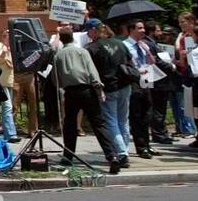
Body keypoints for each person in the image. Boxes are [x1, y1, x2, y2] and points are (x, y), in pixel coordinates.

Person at [51, 26, 121, 172]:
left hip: (70, 92)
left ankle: (68, 156)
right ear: (72, 38)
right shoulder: (82, 51)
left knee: (69, 125)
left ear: (62, 40)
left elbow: (55, 78)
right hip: (87, 90)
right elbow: (92, 71)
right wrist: (99, 89)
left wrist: (62, 87)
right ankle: (112, 156)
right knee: (98, 124)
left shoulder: (58, 55)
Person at [88, 19, 135, 168]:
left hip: (108, 88)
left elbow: (90, 71)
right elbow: (130, 62)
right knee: (123, 120)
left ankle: (121, 153)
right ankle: (124, 150)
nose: (88, 34)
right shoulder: (120, 44)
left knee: (111, 121)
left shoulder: (92, 48)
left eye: (89, 31)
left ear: (95, 31)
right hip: (125, 85)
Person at [123, 19, 158, 158]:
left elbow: (152, 62)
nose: (143, 30)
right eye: (140, 28)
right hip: (135, 79)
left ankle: (148, 145)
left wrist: (148, 52)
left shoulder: (143, 45)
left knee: (147, 113)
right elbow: (127, 64)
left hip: (147, 77)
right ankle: (141, 146)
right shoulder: (125, 45)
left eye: (143, 28)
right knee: (137, 114)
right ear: (132, 30)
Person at [143, 21, 179, 143]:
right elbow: (157, 61)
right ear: (152, 31)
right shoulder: (149, 44)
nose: (160, 33)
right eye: (158, 30)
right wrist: (172, 67)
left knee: (160, 108)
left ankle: (161, 131)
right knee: (158, 108)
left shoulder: (153, 43)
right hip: (157, 80)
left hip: (158, 80)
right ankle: (159, 134)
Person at [0, 31, 20, 143]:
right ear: (5, 37)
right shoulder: (0, 45)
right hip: (1, 82)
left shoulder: (12, 49)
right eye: (10, 37)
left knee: (7, 107)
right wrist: (4, 51)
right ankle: (11, 134)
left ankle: (6, 131)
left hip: (9, 81)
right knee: (7, 106)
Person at [176, 12, 198, 141]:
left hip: (195, 76)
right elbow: (180, 54)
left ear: (192, 21)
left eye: (183, 22)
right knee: (192, 108)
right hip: (188, 75)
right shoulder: (184, 37)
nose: (181, 25)